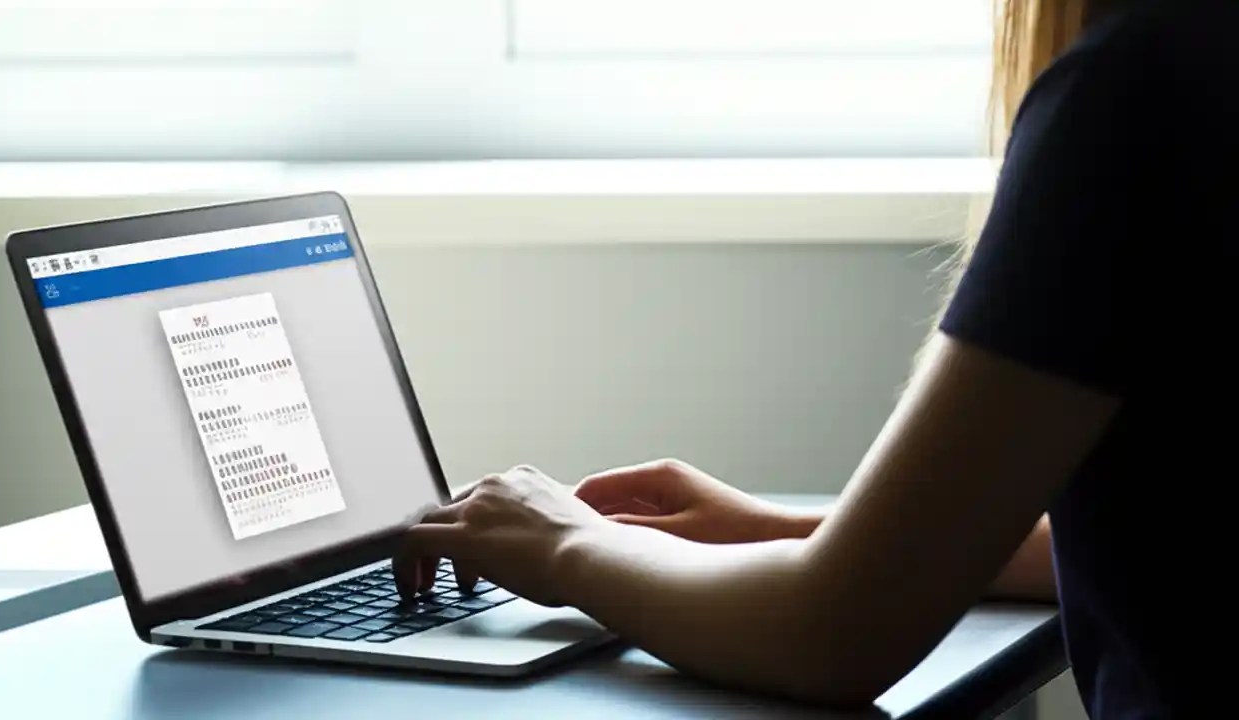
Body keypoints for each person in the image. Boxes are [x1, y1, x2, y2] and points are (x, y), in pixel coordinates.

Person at [392, 1, 1235, 717]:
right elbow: (1173, 533)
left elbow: (836, 632)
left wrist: (563, 542)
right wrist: (799, 535)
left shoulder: (1135, 92)